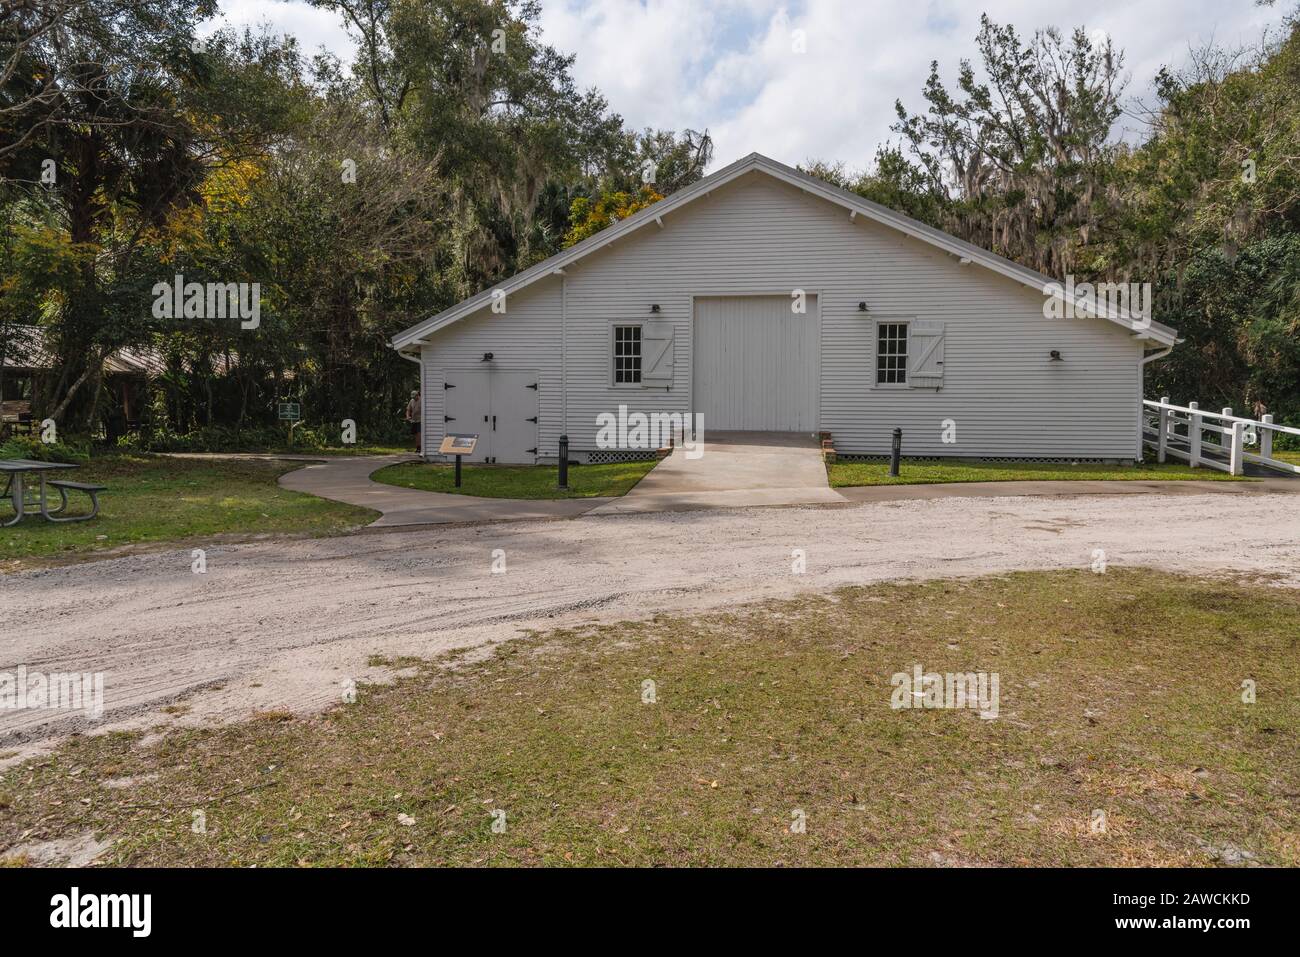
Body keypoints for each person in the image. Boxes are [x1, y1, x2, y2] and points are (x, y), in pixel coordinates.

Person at [404, 389, 421, 453]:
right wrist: (408, 416)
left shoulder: (422, 400)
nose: (414, 398)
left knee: (419, 433)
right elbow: (408, 410)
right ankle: (417, 447)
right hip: (414, 420)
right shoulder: (412, 401)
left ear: (418, 395)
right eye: (413, 397)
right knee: (415, 434)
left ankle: (420, 447)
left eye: (415, 397)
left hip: (420, 420)